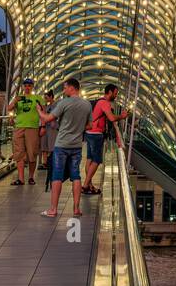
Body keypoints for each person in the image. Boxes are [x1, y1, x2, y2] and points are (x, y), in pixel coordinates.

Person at [41, 76, 91, 218]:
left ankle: (53, 209)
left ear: (72, 88)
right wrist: (78, 128)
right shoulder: (87, 105)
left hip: (61, 145)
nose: (63, 90)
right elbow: (90, 126)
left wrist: (40, 111)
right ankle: (76, 208)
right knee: (76, 175)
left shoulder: (64, 103)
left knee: (57, 175)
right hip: (76, 145)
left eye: (65, 87)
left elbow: (47, 119)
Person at [82, 84, 126, 195]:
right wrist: (122, 116)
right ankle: (86, 185)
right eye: (115, 93)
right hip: (96, 134)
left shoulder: (98, 101)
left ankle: (89, 185)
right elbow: (111, 118)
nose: (116, 95)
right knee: (96, 160)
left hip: (89, 132)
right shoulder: (104, 103)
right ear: (110, 92)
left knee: (89, 159)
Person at [8, 78, 45, 186]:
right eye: (26, 85)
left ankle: (31, 177)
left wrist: (43, 126)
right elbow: (9, 108)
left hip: (32, 128)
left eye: (29, 85)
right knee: (19, 153)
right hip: (19, 127)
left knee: (32, 153)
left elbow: (43, 113)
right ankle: (21, 178)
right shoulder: (18, 98)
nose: (27, 87)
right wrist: (15, 101)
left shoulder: (37, 98)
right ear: (23, 87)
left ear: (32, 87)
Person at [39, 89, 57, 175]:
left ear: (51, 97)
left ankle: (51, 162)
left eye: (46, 97)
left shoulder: (56, 105)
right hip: (46, 127)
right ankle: (45, 162)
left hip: (52, 129)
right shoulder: (47, 106)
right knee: (44, 146)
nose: (45, 99)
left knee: (51, 146)